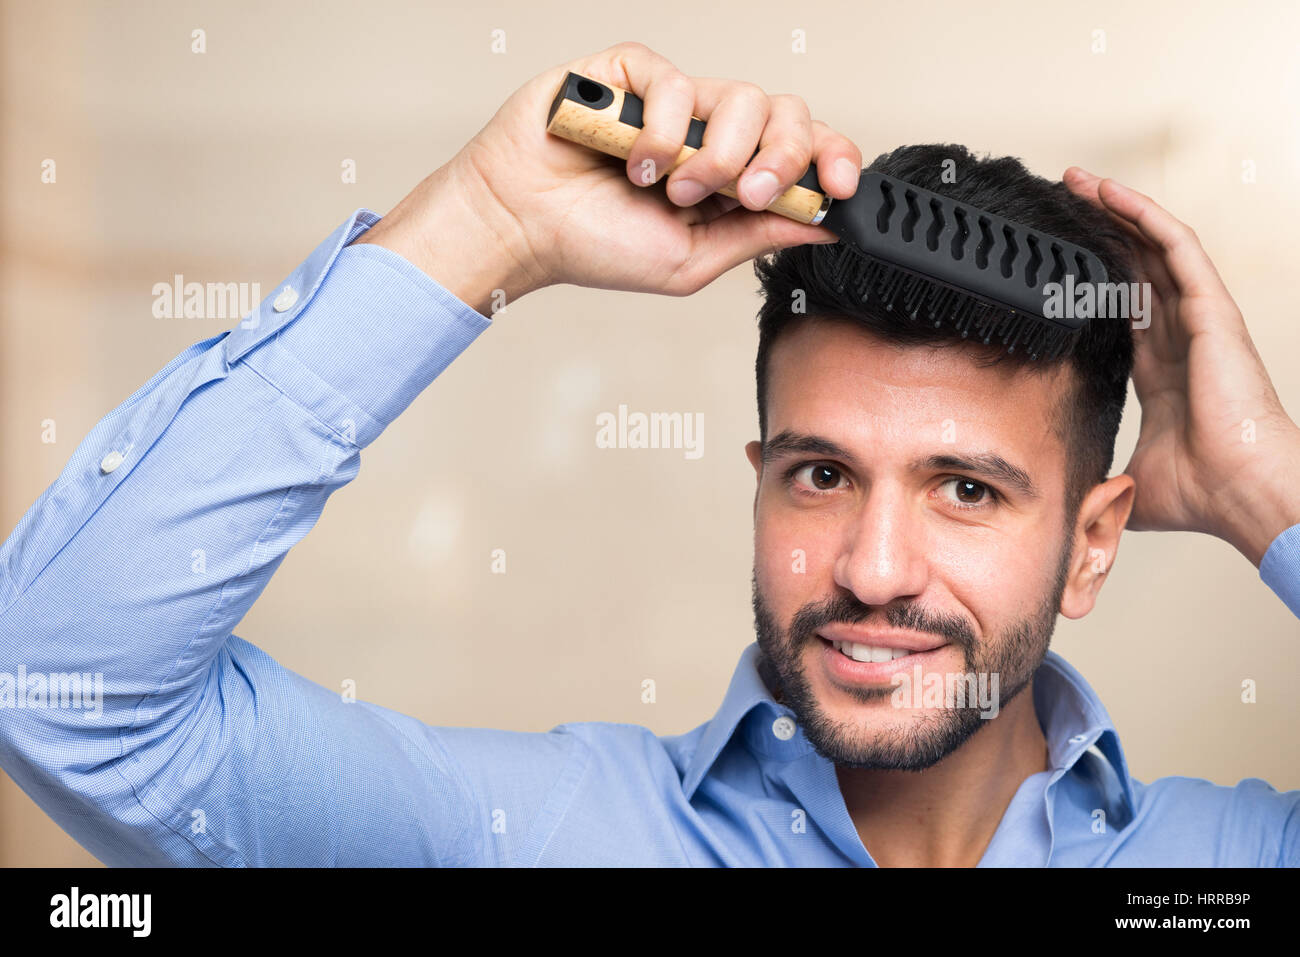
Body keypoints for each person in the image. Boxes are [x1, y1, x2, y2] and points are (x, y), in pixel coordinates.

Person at [1, 41, 1296, 867]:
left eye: (967, 488)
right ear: (759, 478)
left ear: (1094, 539)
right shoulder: (546, 838)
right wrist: (487, 225)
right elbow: (63, 688)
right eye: (822, 472)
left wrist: (1266, 494)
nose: (875, 566)